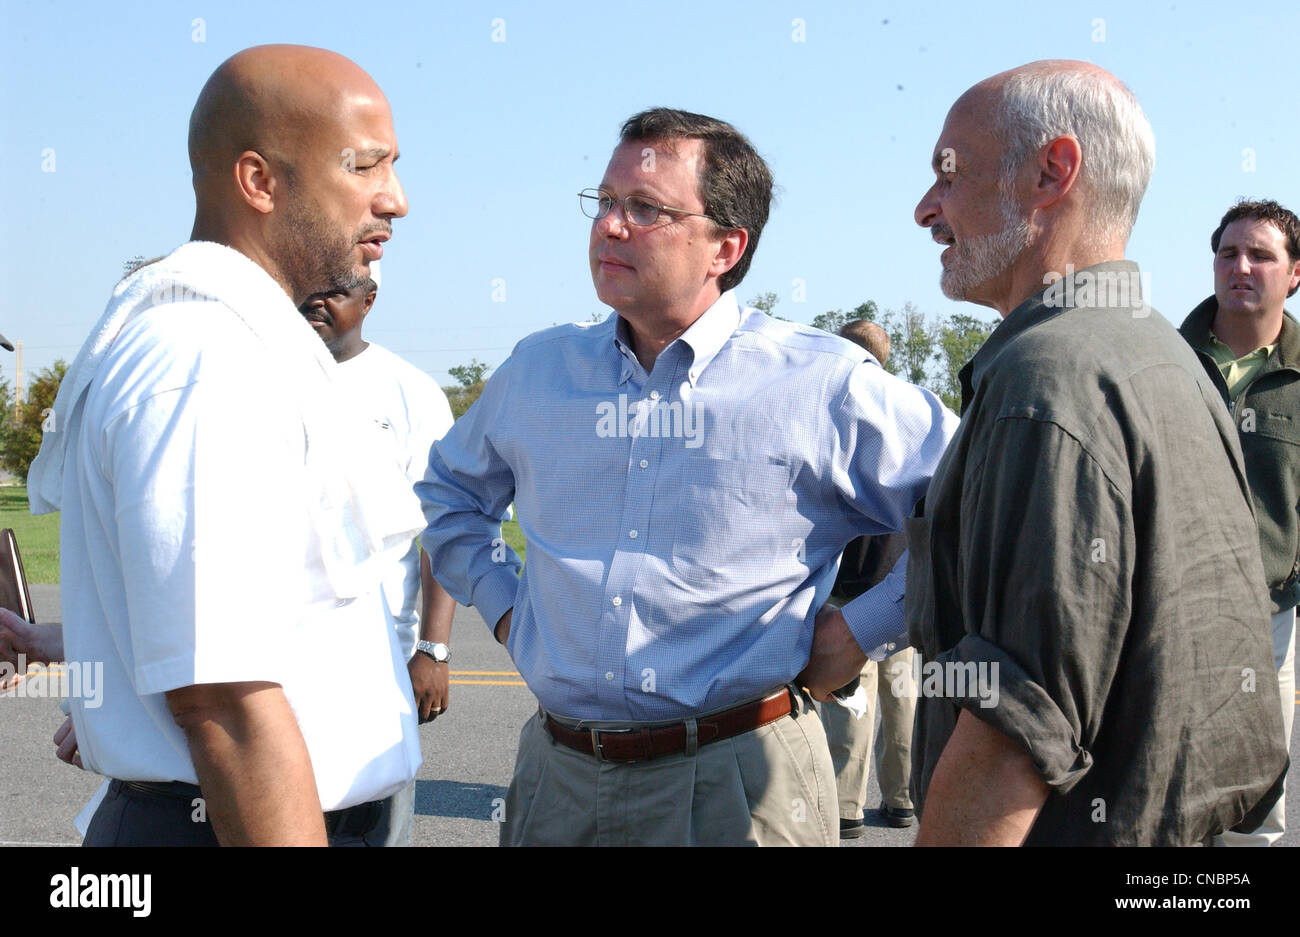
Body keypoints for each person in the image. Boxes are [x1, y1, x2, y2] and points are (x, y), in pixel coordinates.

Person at [417, 107, 957, 846]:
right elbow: (449, 496)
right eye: (605, 202)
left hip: (739, 781)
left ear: (725, 247)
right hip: (559, 779)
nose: (610, 226)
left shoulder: (819, 382)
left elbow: (978, 497)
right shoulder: (538, 373)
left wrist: (862, 630)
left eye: (646, 209)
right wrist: (512, 613)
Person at [23, 44, 423, 846]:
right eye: (368, 167)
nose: (397, 200)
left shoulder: (248, 343)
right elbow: (224, 698)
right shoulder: (205, 360)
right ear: (259, 181)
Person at [906, 59, 1288, 845]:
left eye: (949, 173)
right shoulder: (1162, 353)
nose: (926, 209)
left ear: (1053, 172)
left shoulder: (1047, 378)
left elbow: (1013, 729)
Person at [299, 272, 458, 845]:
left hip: (378, 668)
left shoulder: (410, 392)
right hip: (274, 672)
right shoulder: (259, 376)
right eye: (307, 285)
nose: (316, 300)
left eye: (336, 290)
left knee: (370, 830)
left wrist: (432, 649)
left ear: (369, 300)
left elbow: (442, 531)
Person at [1178, 199, 1300, 846]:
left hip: (1268, 623)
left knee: (1255, 809)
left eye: (1261, 255)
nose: (1241, 266)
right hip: (1166, 622)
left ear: (1295, 273)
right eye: (1228, 253)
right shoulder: (1165, 363)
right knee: (1166, 797)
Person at [819, 320, 917, 838]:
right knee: (903, 706)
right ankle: (901, 799)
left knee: (851, 709)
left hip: (851, 591)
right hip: (901, 591)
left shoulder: (836, 409)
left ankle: (846, 808)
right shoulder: (908, 410)